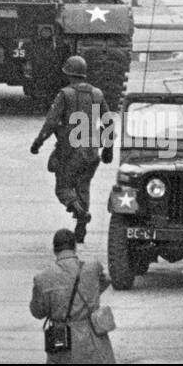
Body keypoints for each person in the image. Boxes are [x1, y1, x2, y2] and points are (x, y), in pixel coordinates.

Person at [30, 55, 112, 242]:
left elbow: (51, 122)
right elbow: (108, 122)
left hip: (70, 151)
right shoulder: (97, 94)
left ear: (68, 74)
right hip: (92, 152)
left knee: (63, 188)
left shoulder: (65, 94)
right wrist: (108, 149)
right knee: (83, 186)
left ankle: (78, 211)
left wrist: (38, 143)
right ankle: (81, 228)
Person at [29, 228, 116, 364]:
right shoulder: (93, 268)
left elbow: (38, 312)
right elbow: (106, 281)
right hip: (94, 341)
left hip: (62, 344)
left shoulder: (43, 278)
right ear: (74, 247)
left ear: (55, 250)